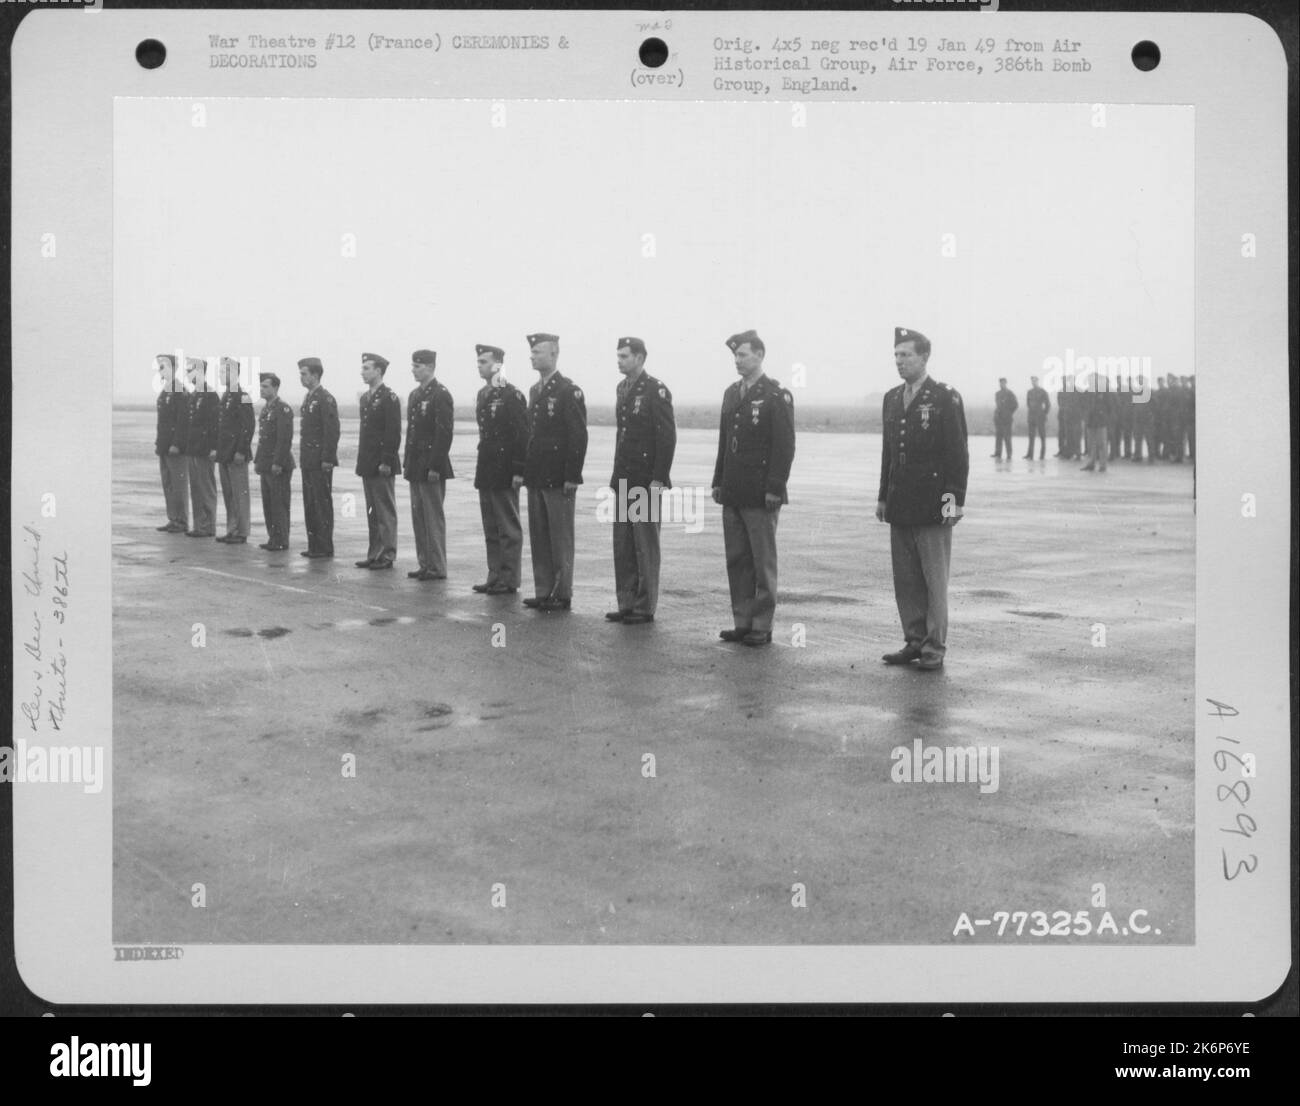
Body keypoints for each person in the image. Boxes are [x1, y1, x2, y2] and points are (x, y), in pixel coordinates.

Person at [876, 327, 968, 671]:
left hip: (932, 505)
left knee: (933, 582)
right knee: (907, 581)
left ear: (924, 357)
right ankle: (913, 640)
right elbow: (889, 453)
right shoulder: (891, 398)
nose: (899, 362)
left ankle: (934, 648)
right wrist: (883, 497)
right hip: (901, 504)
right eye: (896, 356)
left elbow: (957, 455)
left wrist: (953, 502)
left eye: (906, 355)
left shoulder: (945, 398)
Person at [712, 329, 795, 647]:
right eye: (735, 355)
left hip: (761, 493)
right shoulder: (732, 393)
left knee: (762, 561)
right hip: (733, 489)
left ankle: (762, 623)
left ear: (760, 355)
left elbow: (784, 445)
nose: (737, 360)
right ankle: (742, 621)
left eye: (743, 354)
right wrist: (718, 481)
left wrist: (775, 487)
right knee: (737, 559)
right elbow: (724, 444)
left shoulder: (776, 395)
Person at [606, 336, 676, 625]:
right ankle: (627, 602)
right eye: (618, 355)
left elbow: (666, 437)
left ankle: (645, 606)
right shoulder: (623, 389)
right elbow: (623, 437)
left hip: (646, 480)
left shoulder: (655, 390)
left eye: (624, 356)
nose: (619, 361)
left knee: (644, 545)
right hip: (625, 477)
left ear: (639, 357)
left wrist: (659, 478)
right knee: (623, 544)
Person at [516, 333, 587, 612]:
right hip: (537, 474)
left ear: (554, 354)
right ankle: (544, 590)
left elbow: (577, 435)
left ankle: (561, 592)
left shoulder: (569, 390)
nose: (532, 356)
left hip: (558, 477)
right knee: (540, 536)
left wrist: (572, 475)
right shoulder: (535, 391)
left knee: (560, 538)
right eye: (531, 352)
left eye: (537, 352)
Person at [473, 344, 528, 596]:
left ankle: (509, 578)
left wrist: (518, 470)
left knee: (507, 527)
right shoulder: (483, 394)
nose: (479, 365)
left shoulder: (511, 395)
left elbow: (521, 435)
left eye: (484, 361)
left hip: (505, 470)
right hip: (486, 468)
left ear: (497, 365)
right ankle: (494, 574)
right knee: (491, 526)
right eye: (479, 361)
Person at [404, 349, 455, 581]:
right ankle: (425, 563)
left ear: (430, 367)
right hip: (416, 465)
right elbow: (411, 434)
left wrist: (435, 466)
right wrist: (407, 464)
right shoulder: (416, 395)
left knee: (433, 517)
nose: (414, 370)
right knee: (419, 517)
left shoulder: (440, 394)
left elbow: (443, 433)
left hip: (431, 466)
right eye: (413, 366)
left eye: (418, 366)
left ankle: (437, 566)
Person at [354, 353, 402, 570]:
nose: (362, 372)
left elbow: (393, 432)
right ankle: (374, 553)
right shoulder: (366, 398)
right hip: (368, 462)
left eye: (366, 368)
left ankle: (387, 553)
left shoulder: (388, 397)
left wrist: (387, 461)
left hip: (382, 463)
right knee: (373, 511)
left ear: (378, 371)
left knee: (385, 511)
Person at [297, 357, 340, 559]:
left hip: (320, 461)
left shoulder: (325, 398)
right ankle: (314, 545)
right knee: (310, 504)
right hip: (308, 459)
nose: (301, 377)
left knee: (321, 504)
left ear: (315, 375)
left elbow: (332, 431)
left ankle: (324, 546)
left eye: (304, 374)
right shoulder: (309, 398)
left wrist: (327, 458)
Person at [213, 356, 255, 544]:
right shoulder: (226, 396)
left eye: (224, 371)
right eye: (220, 371)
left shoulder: (242, 396)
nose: (221, 375)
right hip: (225, 454)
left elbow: (248, 426)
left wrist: (241, 450)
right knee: (229, 495)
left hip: (236, 454)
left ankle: (241, 531)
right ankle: (232, 529)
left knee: (239, 494)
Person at [253, 372, 294, 551]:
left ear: (276, 388)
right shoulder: (266, 409)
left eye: (266, 386)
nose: (262, 389)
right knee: (268, 504)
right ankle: (273, 538)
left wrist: (277, 462)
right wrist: (258, 462)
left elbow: (284, 439)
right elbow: (264, 440)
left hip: (279, 465)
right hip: (266, 464)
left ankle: (281, 540)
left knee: (279, 504)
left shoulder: (282, 409)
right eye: (261, 386)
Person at [183, 357, 220, 537]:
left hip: (204, 449)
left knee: (206, 488)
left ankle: (208, 526)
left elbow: (214, 424)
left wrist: (214, 447)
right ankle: (199, 525)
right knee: (196, 488)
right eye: (187, 371)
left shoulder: (210, 395)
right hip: (193, 448)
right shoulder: (194, 395)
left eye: (191, 371)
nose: (188, 374)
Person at [153, 354, 190, 533]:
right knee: (168, 483)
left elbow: (183, 422)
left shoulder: (179, 391)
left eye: (165, 367)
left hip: (175, 448)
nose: (161, 370)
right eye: (160, 367)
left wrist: (177, 444)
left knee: (178, 485)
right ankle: (173, 518)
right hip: (164, 447)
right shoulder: (166, 390)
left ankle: (181, 520)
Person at [1079, 373, 1116, 472]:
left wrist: (1106, 417)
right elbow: (1082, 405)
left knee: (1102, 444)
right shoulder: (1087, 392)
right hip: (1090, 421)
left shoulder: (1104, 392)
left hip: (1101, 421)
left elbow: (1110, 406)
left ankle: (1103, 465)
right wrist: (1084, 417)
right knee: (1091, 444)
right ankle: (1091, 463)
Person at [1023, 376, 1050, 459]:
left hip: (1040, 416)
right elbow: (1028, 403)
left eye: (1035, 381)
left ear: (1038, 382)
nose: (1033, 383)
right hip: (1031, 416)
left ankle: (1042, 455)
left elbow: (1048, 404)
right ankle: (1030, 454)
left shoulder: (1043, 392)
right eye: (1032, 381)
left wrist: (1044, 413)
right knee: (1031, 436)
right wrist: (1031, 411)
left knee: (1042, 436)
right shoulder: (1029, 392)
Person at [992, 377, 1017, 460]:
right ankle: (998, 453)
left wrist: (1009, 413)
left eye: (1003, 383)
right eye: (1000, 383)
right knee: (998, 437)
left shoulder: (1010, 393)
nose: (1001, 384)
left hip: (1007, 419)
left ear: (1006, 383)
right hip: (999, 418)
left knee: (1007, 437)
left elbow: (1015, 405)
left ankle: (1009, 454)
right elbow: (998, 405)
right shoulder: (997, 394)